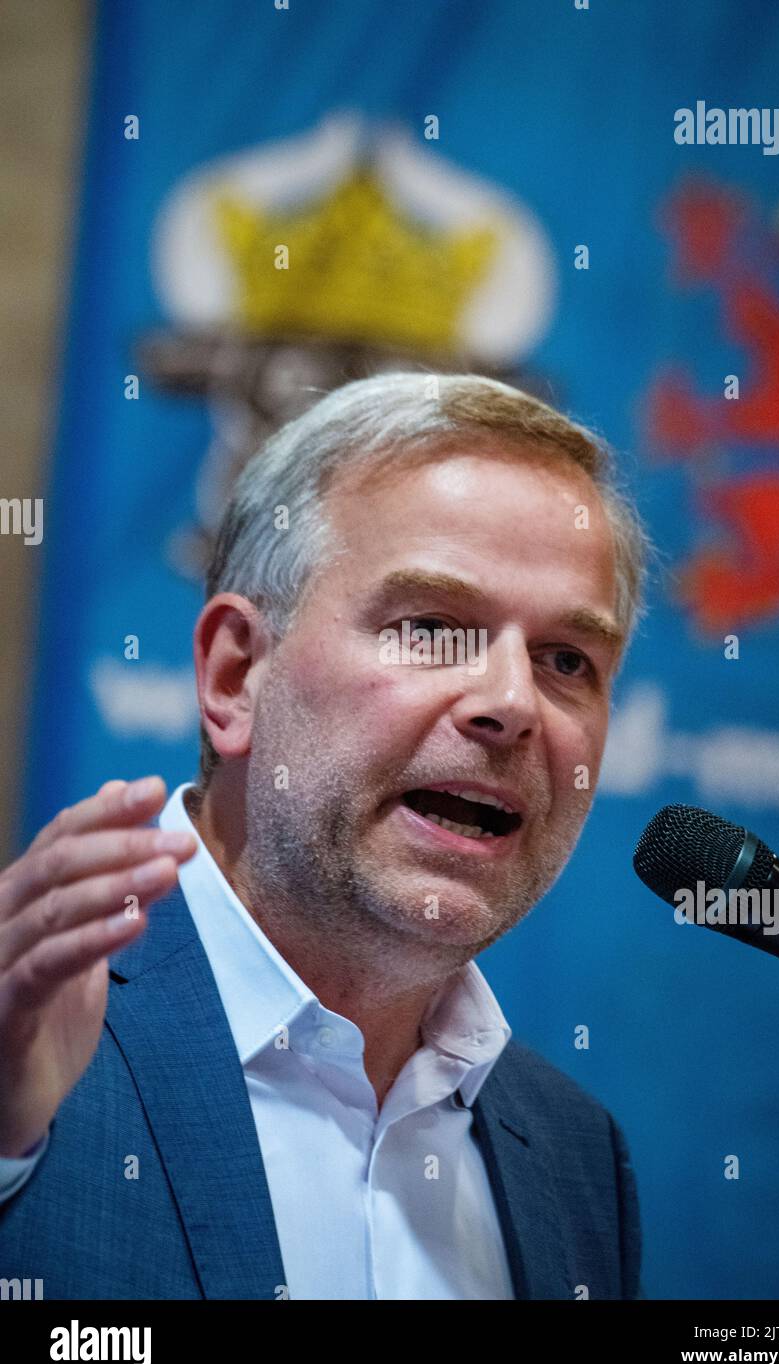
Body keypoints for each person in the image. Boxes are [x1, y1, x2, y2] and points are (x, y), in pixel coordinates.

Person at [0, 371, 650, 1299]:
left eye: (566, 660)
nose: (512, 704)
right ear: (237, 675)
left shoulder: (577, 1160)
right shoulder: (25, 1054)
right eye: (430, 627)